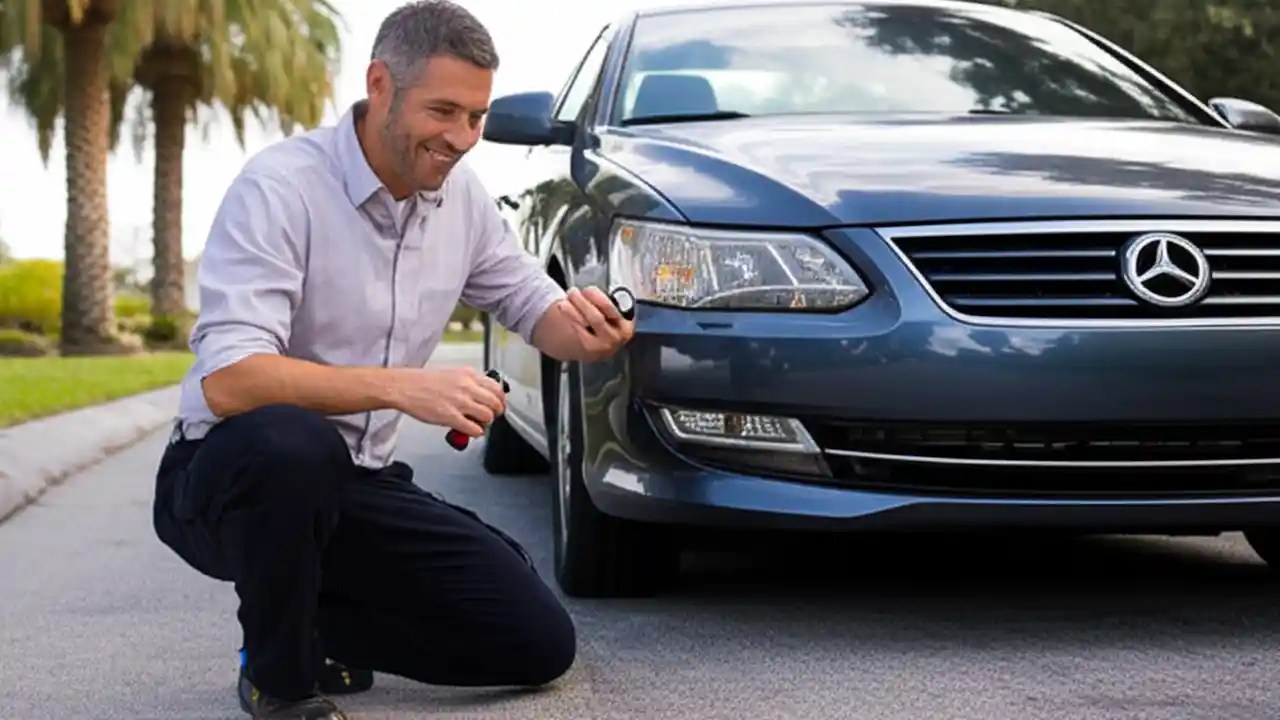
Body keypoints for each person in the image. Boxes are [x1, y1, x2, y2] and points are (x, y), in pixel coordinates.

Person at [150, 2, 634, 718]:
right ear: (380, 84)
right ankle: (278, 679)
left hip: (357, 486)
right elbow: (228, 381)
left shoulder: (461, 201)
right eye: (443, 111)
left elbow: (538, 310)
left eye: (476, 116)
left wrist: (589, 324)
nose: (462, 137)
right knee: (294, 446)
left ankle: (313, 616)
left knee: (536, 642)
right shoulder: (281, 188)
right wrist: (406, 389)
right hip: (230, 481)